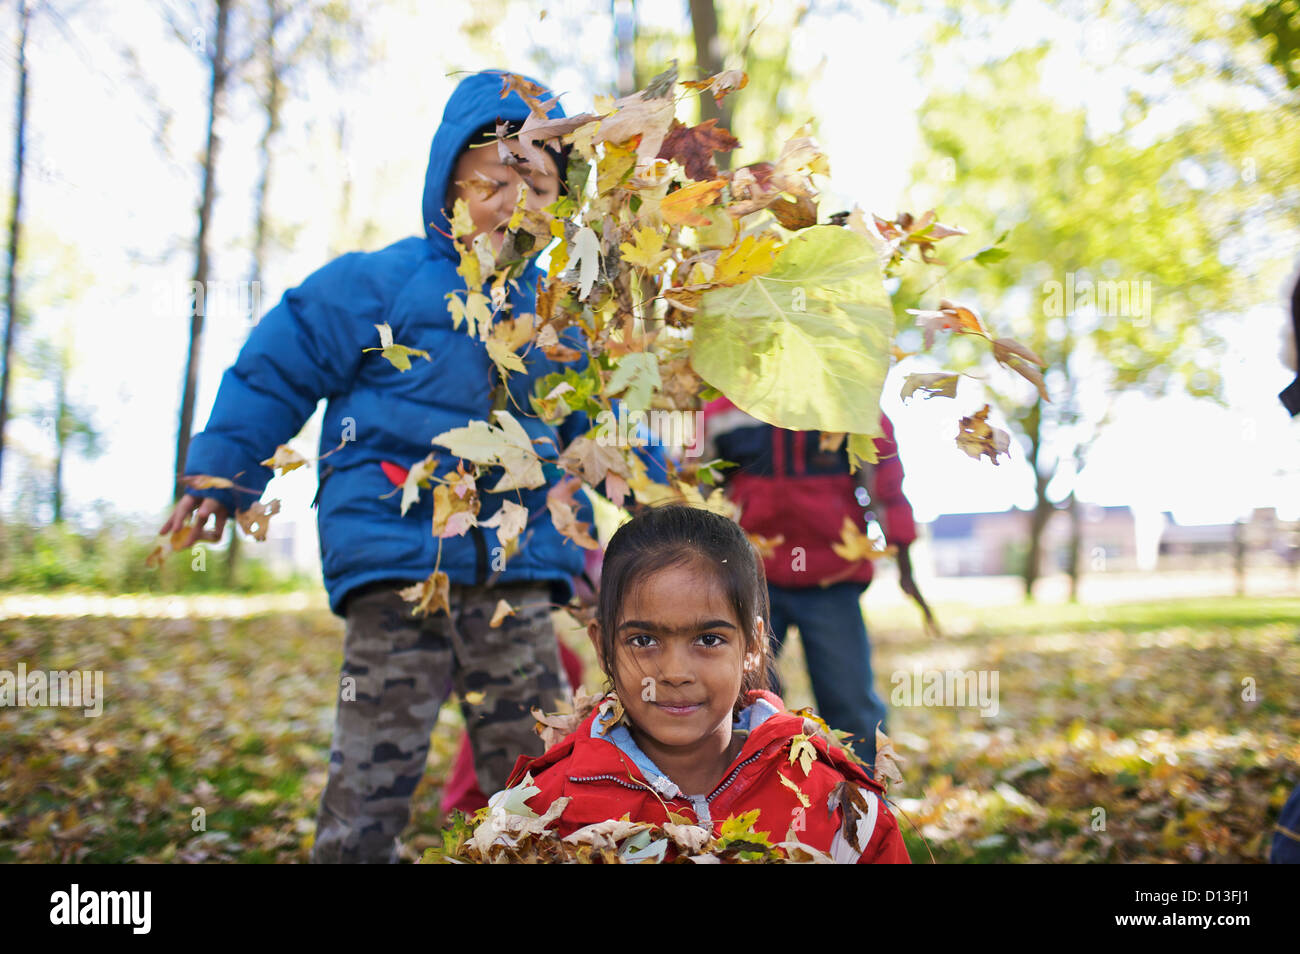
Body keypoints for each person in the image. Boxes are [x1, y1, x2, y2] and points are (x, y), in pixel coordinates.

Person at [158, 70, 614, 863]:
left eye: (539, 184)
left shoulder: (557, 320)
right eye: (499, 174)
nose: (517, 199)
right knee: (376, 764)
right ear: (449, 180)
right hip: (398, 563)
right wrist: (223, 469)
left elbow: (592, 428)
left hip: (517, 574)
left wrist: (643, 508)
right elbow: (280, 364)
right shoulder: (381, 284)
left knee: (540, 774)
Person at [502, 503, 911, 863]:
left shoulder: (838, 808)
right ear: (603, 645)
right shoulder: (544, 813)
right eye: (643, 640)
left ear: (752, 645)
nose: (676, 672)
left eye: (708, 639)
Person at [699, 397, 919, 768]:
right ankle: (745, 789)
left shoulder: (850, 401)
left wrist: (903, 554)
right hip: (752, 581)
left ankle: (865, 795)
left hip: (833, 577)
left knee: (848, 698)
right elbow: (698, 487)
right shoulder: (725, 410)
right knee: (744, 696)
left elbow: (885, 485)